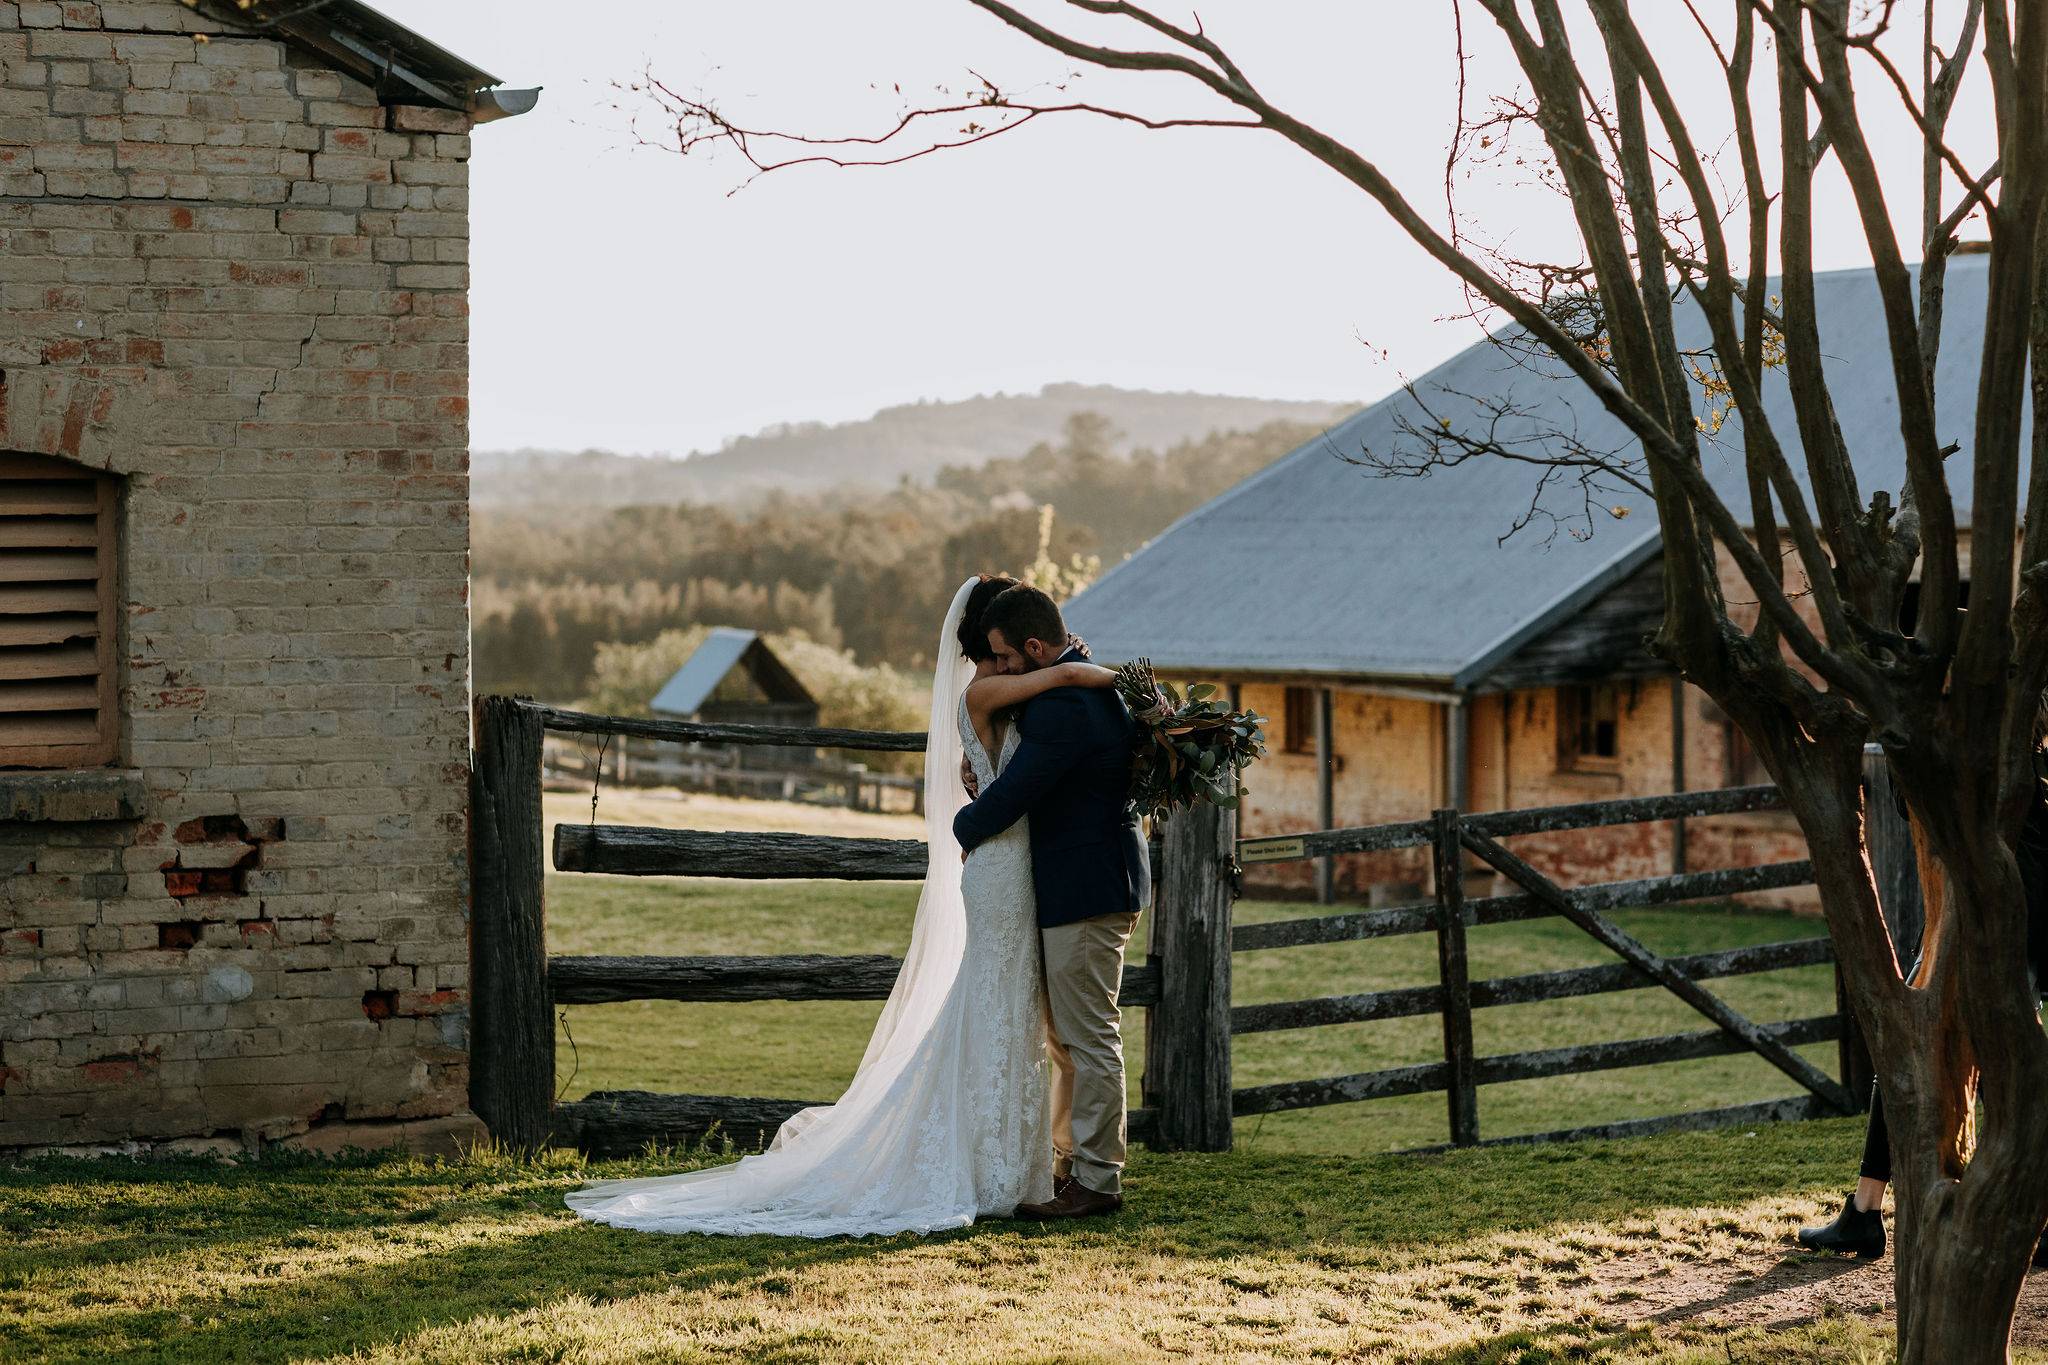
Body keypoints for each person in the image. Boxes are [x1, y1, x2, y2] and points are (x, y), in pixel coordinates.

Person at [564, 575, 1118, 1237]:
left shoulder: (1022, 693)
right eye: (996, 654)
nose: (1003, 665)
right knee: (1003, 1007)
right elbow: (1048, 691)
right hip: (1001, 863)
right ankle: (1024, 1163)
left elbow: (1039, 728)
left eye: (1008, 655)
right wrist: (1096, 675)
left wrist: (1094, 680)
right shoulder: (991, 689)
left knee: (1020, 1014)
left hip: (1024, 867)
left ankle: (1038, 1163)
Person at [1799, 710, 2048, 1261]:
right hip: (1989, 909)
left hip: (2008, 912)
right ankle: (1864, 1210)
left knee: (1989, 1056)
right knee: (1920, 1038)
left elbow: (1914, 806)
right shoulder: (2015, 750)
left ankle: (1868, 1211)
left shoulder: (1988, 752)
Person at [954, 583, 1153, 1220]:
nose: (1004, 670)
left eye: (1008, 658)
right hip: (1082, 882)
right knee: (1068, 1036)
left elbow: (1017, 793)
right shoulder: (1079, 684)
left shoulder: (1067, 707)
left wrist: (960, 832)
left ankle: (1096, 1180)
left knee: (1088, 1035)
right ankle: (1073, 1168)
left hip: (1089, 887)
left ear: (1035, 648)